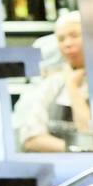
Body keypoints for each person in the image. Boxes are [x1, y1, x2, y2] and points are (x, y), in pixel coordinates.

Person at [15, 11, 91, 152]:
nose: (67, 44)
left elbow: (89, 135)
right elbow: (31, 139)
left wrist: (73, 88)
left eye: (74, 36)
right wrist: (73, 150)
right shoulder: (51, 84)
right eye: (61, 39)